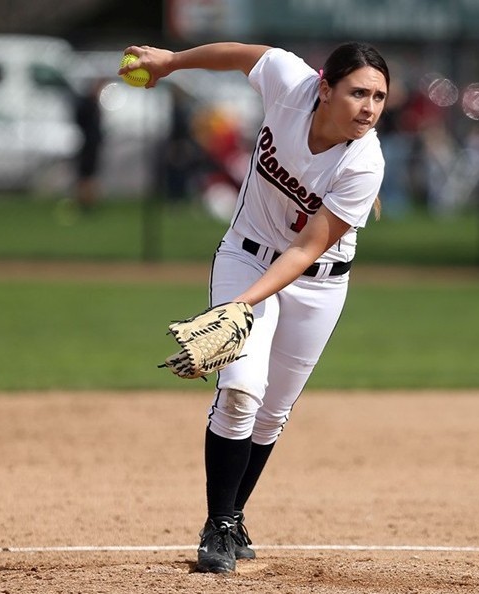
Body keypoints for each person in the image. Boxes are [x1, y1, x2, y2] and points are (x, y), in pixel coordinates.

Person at [119, 41, 389, 574]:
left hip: (318, 285)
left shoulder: (365, 162)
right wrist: (171, 63)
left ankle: (235, 514)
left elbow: (309, 248)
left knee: (272, 413)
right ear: (325, 87)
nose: (370, 107)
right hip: (244, 257)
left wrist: (237, 308)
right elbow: (243, 54)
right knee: (241, 390)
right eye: (358, 92)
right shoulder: (290, 86)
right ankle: (219, 525)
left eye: (380, 97)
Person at [72, 78, 105, 212]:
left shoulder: (93, 104)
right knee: (86, 175)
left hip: (93, 144)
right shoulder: (87, 104)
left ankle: (88, 201)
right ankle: (85, 202)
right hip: (89, 144)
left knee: (89, 175)